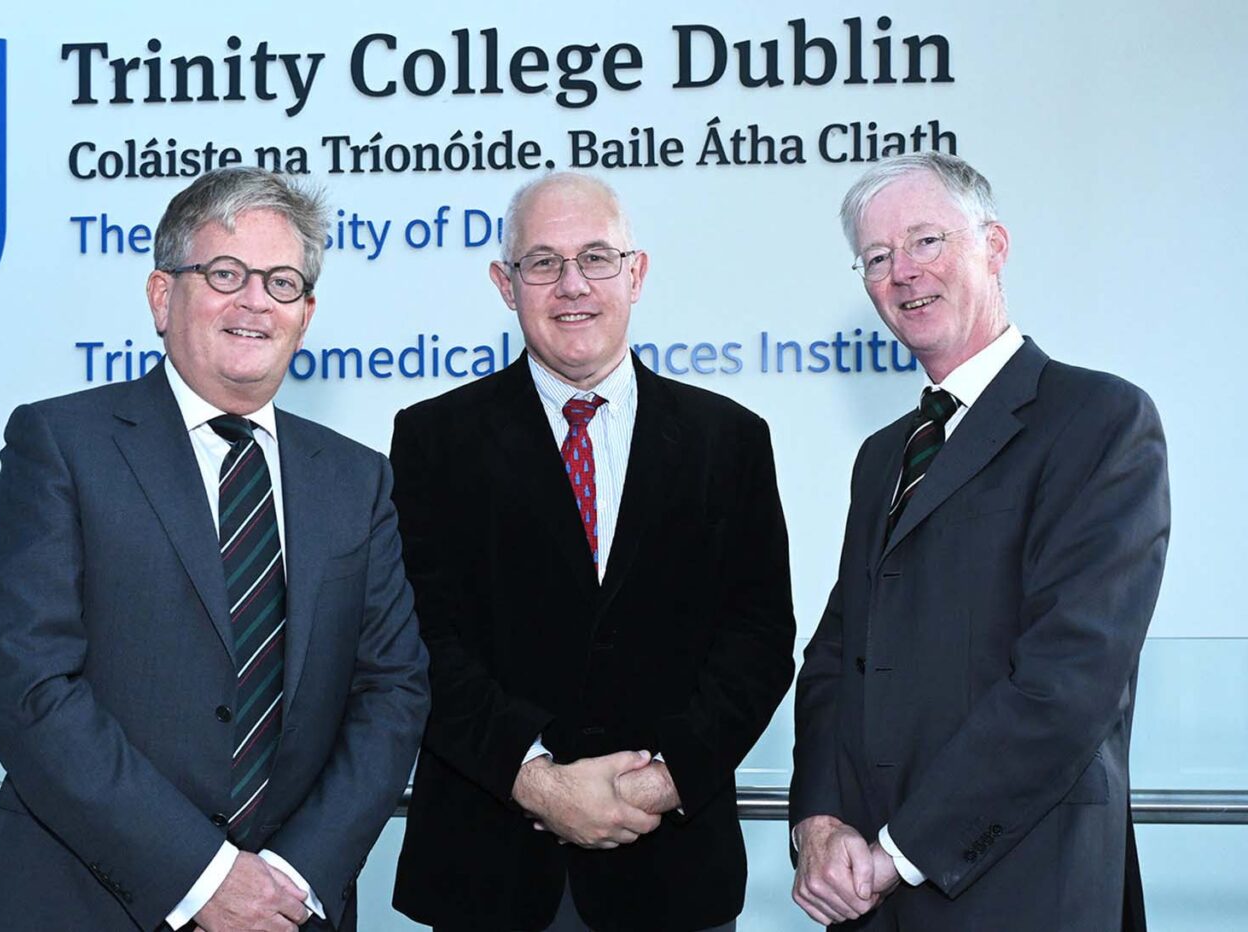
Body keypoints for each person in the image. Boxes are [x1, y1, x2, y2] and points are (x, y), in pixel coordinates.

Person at [0, 168, 429, 932]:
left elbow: (393, 691)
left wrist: (289, 876)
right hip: (86, 901)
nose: (255, 301)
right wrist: (203, 875)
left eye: (282, 282)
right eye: (225, 273)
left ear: (306, 314)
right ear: (161, 295)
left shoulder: (357, 479)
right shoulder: (61, 445)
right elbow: (30, 688)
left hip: (289, 911)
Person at [390, 172, 796, 932]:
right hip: (492, 871)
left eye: (597, 258)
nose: (572, 284)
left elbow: (761, 640)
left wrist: (664, 779)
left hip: (673, 869)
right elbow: (421, 644)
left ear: (635, 273)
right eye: (542, 262)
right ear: (505, 285)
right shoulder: (432, 440)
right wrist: (538, 782)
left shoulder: (730, 440)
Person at [789, 151, 1168, 930]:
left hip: (1022, 887)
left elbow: (1068, 684)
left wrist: (897, 852)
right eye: (877, 257)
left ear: (993, 247)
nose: (902, 273)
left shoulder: (1099, 421)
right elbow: (837, 656)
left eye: (926, 241)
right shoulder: (883, 455)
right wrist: (819, 823)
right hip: (868, 897)